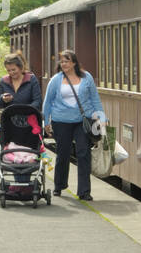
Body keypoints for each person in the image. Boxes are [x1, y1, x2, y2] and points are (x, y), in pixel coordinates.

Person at [41, 49, 103, 201]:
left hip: (83, 120)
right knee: (63, 153)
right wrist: (46, 122)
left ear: (74, 62)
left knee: (84, 154)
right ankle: (59, 185)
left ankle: (84, 191)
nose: (63, 64)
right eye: (61, 62)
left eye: (66, 61)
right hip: (61, 121)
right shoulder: (55, 80)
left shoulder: (86, 77)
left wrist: (101, 117)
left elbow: (95, 99)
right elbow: (47, 102)